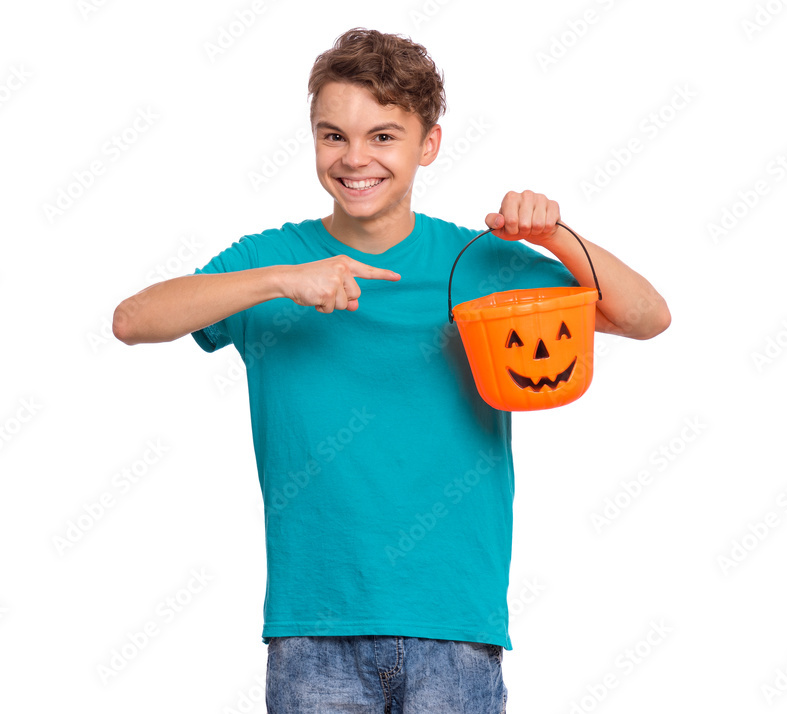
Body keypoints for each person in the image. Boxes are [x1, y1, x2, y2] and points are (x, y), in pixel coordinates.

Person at [113, 26, 670, 714]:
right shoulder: (272, 261)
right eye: (333, 135)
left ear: (427, 143)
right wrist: (280, 281)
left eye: (383, 136)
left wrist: (555, 235)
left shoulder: (478, 263)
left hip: (455, 630)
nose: (355, 158)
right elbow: (132, 320)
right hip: (313, 628)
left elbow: (646, 316)